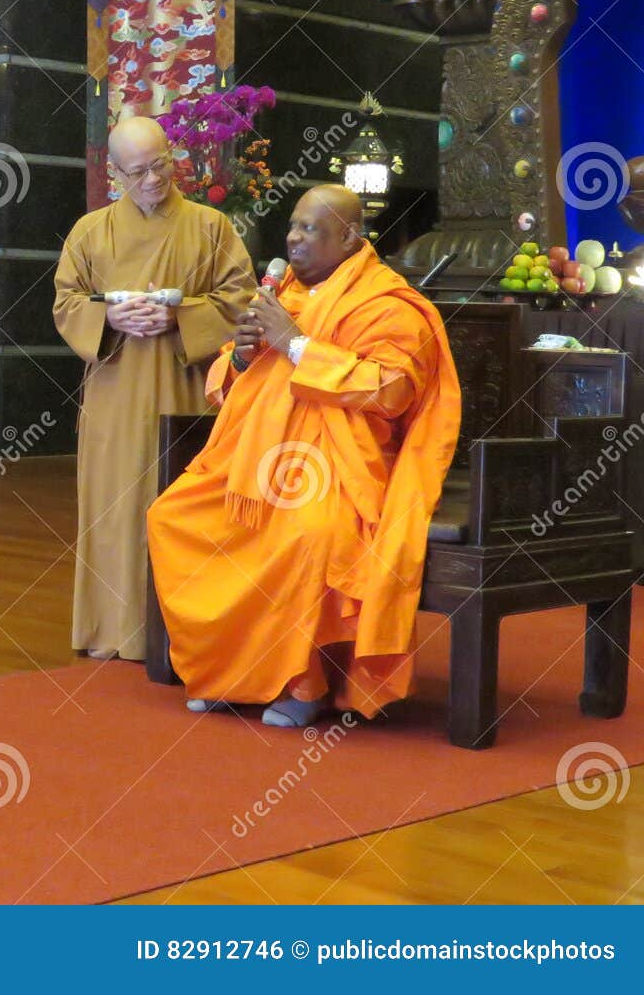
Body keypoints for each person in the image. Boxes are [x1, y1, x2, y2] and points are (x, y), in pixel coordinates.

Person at [147, 185, 461, 725]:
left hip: (339, 463)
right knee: (173, 517)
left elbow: (390, 391)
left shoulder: (388, 303)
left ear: (349, 236)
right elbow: (226, 387)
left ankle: (304, 686)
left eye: (310, 229)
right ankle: (230, 674)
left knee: (307, 534)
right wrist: (244, 356)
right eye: (292, 226)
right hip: (251, 457)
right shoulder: (279, 294)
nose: (294, 238)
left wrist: (296, 344)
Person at [52, 115, 255, 660]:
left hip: (184, 387)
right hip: (115, 391)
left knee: (180, 507)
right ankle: (109, 629)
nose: (152, 180)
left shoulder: (212, 227)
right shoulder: (90, 232)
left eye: (161, 165)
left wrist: (182, 317)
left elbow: (242, 300)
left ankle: (183, 637)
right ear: (113, 172)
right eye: (138, 171)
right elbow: (67, 303)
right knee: (113, 508)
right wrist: (112, 319)